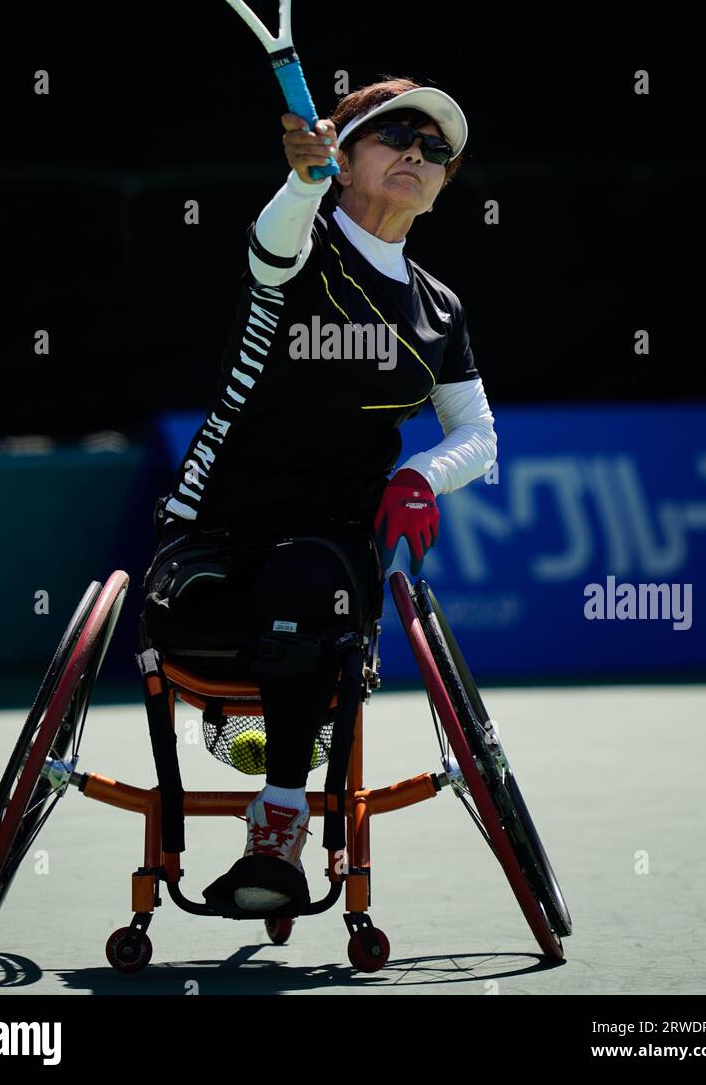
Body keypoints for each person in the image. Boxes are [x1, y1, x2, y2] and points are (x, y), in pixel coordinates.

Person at [140, 76, 497, 913]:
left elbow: (479, 436)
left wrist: (420, 475)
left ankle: (279, 827)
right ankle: (259, 765)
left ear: (445, 184)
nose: (416, 151)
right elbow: (273, 239)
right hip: (215, 528)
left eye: (435, 147)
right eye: (393, 135)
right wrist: (301, 177)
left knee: (305, 588)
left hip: (333, 541)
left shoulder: (440, 308)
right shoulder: (302, 243)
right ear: (343, 163)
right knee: (245, 604)